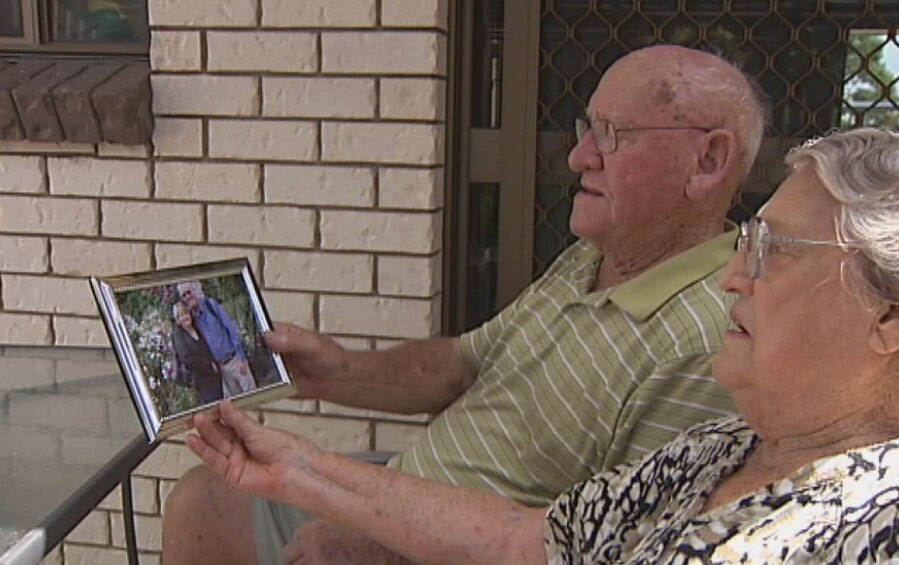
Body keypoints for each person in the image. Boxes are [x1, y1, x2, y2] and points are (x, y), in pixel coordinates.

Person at [186, 128, 899, 562]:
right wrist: (296, 465)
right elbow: (528, 538)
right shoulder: (729, 449)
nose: (733, 277)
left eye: (774, 252)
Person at [163, 44, 768, 564]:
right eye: (588, 128)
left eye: (613, 134)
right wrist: (337, 372)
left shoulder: (710, 333)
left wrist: (384, 545)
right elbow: (461, 365)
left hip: (435, 544)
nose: (578, 156)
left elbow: (604, 544)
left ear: (708, 161)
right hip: (405, 491)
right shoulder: (593, 258)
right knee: (203, 495)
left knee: (208, 505)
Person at [176, 281, 255, 398]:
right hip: (222, 369)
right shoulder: (193, 320)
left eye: (189, 292)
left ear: (195, 291)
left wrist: (241, 358)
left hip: (235, 361)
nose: (188, 297)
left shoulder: (210, 306)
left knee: (253, 396)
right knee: (238, 405)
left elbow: (231, 329)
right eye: (184, 295)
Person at [171, 302, 224, 405]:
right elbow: (186, 359)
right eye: (181, 315)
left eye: (186, 313)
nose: (185, 317)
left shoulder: (196, 327)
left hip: (214, 377)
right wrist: (209, 366)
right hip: (201, 381)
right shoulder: (178, 335)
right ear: (178, 320)